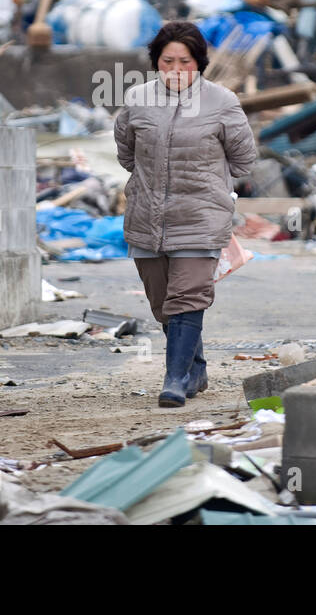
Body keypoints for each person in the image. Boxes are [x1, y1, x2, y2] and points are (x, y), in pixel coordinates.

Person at [113, 21, 258, 407]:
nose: (176, 70)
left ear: (200, 64)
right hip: (147, 217)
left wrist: (210, 182)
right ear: (156, 63)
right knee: (163, 304)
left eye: (185, 62)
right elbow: (126, 152)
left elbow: (244, 160)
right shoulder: (138, 99)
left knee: (188, 296)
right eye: (167, 61)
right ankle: (195, 367)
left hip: (201, 215)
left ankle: (174, 380)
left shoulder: (222, 102)